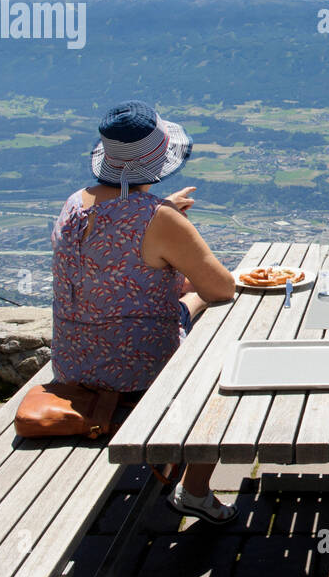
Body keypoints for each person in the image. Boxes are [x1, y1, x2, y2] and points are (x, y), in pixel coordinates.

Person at [51, 100, 239, 524]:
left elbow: (114, 254)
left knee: (191, 299)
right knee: (227, 369)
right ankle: (193, 491)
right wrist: (167, 217)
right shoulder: (157, 218)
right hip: (135, 371)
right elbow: (222, 288)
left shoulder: (73, 205)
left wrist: (162, 214)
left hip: (73, 363)